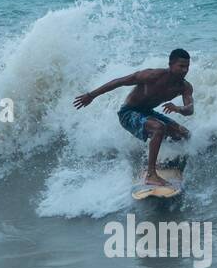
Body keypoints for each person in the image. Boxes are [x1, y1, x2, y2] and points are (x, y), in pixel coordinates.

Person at [74, 49, 193, 186]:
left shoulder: (184, 87)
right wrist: (91, 95)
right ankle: (151, 174)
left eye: (187, 67)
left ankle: (164, 161)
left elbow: (190, 109)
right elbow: (119, 82)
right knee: (159, 128)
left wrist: (179, 109)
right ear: (171, 64)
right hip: (128, 113)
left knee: (184, 134)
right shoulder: (152, 75)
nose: (185, 70)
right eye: (181, 66)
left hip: (148, 112)